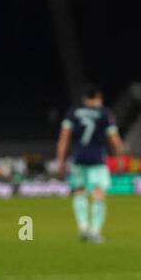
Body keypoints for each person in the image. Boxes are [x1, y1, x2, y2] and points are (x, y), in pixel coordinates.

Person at [56, 85, 125, 243]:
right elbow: (114, 139)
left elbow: (64, 137)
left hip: (78, 158)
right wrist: (120, 158)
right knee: (98, 193)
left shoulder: (73, 113)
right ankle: (95, 230)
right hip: (97, 160)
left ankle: (82, 227)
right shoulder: (104, 114)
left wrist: (60, 160)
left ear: (84, 99)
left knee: (79, 191)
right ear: (99, 98)